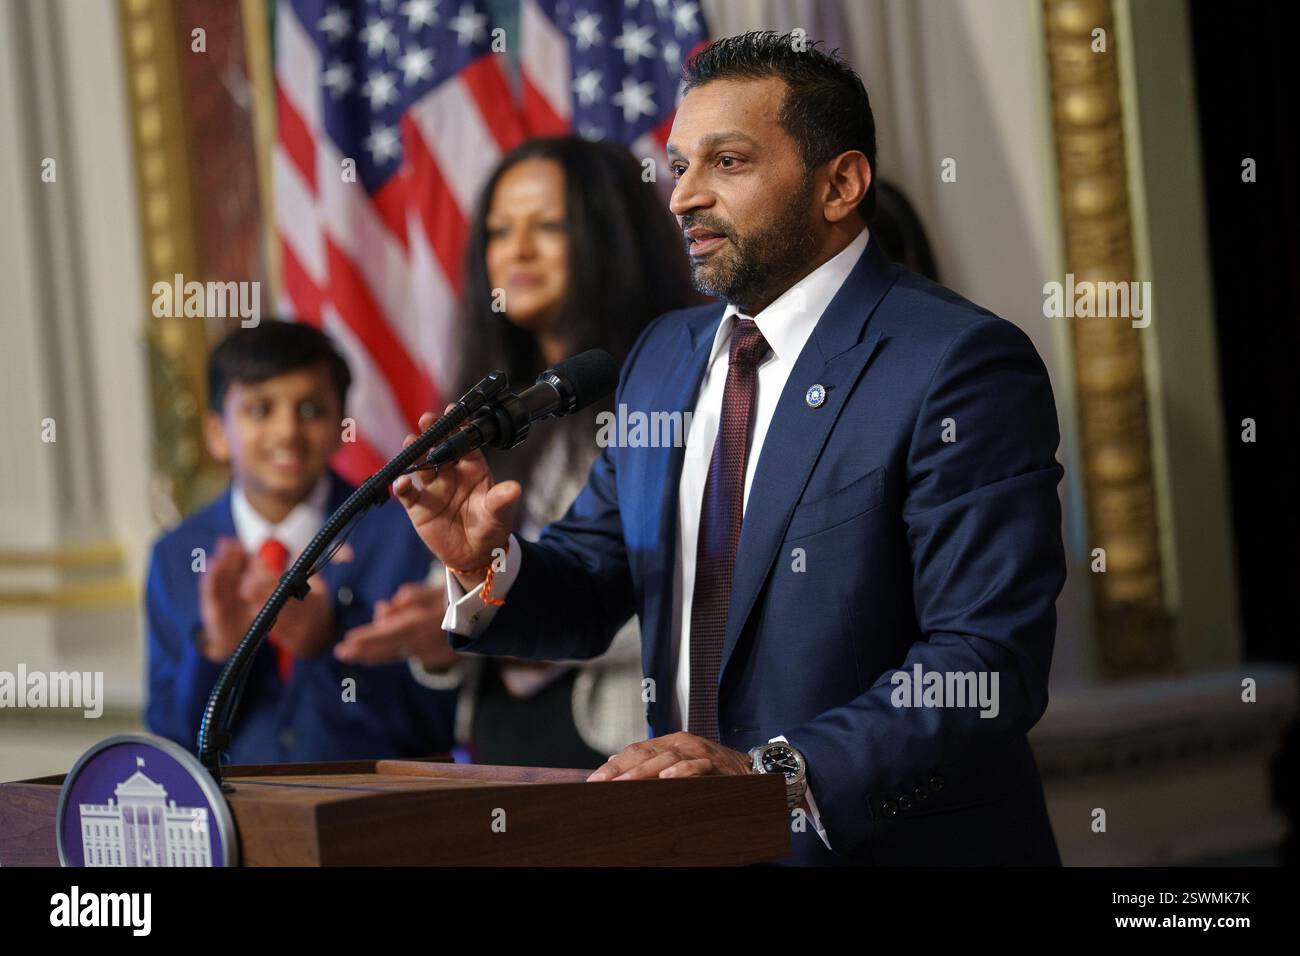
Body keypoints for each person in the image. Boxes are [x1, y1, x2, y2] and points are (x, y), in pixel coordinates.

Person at [393, 32, 1067, 866]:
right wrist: (487, 565)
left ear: (841, 184)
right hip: (687, 845)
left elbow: (985, 661)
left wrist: (772, 774)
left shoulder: (954, 362)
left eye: (729, 163)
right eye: (679, 167)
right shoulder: (662, 357)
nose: (683, 199)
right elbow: (602, 574)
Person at [335, 137, 697, 768]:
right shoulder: (483, 409)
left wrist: (509, 627)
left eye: (548, 226)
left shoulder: (677, 386)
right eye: (499, 231)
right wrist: (444, 622)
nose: (517, 251)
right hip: (499, 744)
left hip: (624, 746)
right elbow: (461, 579)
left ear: (612, 235)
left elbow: (689, 594)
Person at [144, 320, 458, 764]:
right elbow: (170, 738)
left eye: (311, 410)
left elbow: (433, 723)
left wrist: (326, 644)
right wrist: (216, 651)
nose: (287, 431)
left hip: (369, 812)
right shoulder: (177, 554)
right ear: (217, 432)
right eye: (260, 409)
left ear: (339, 426)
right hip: (232, 818)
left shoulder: (402, 533)